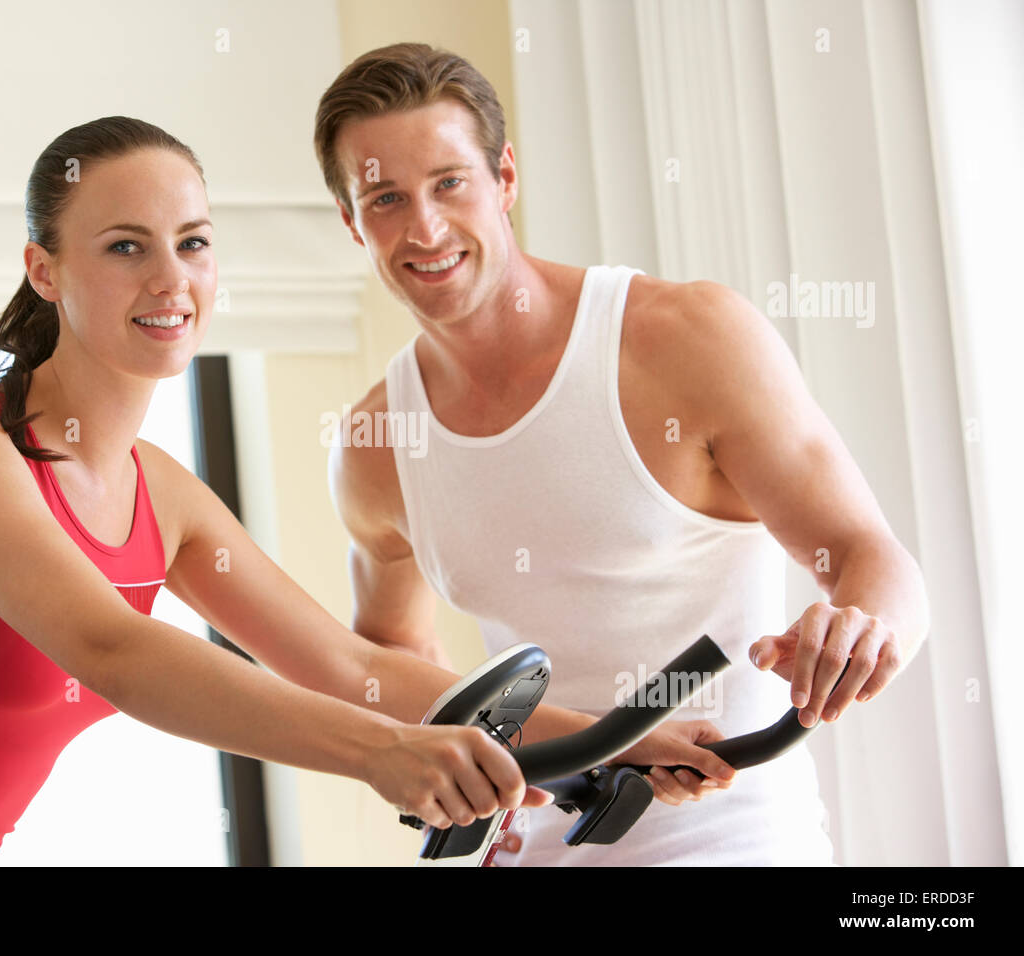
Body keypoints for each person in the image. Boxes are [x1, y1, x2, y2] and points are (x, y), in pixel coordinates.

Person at [0, 116, 733, 868]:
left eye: (193, 241)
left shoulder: (162, 497)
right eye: (125, 246)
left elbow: (347, 662)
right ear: (44, 269)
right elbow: (112, 648)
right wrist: (382, 754)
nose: (171, 278)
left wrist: (613, 733)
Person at [315, 44, 931, 865]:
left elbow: (870, 556)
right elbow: (393, 658)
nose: (424, 227)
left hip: (737, 842)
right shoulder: (376, 448)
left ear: (504, 177)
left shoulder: (684, 340)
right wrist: (465, 780)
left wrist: (861, 629)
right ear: (353, 221)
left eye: (449, 182)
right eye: (386, 198)